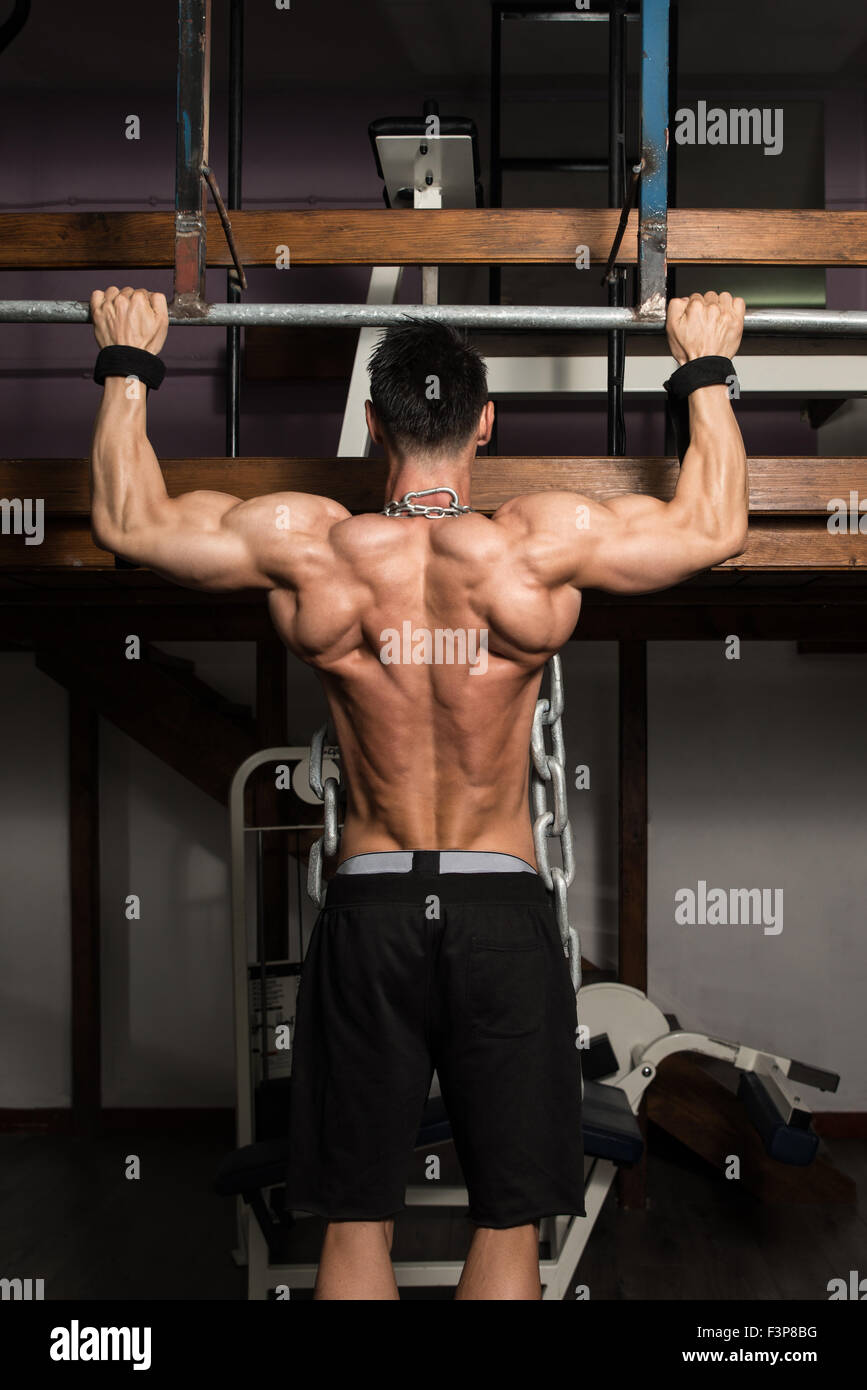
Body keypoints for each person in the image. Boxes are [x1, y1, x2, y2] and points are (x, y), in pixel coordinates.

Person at [89, 286, 748, 1300]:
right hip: (498, 906)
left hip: (372, 905)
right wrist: (702, 365)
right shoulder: (537, 542)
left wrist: (128, 362)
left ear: (371, 421)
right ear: (486, 420)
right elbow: (714, 528)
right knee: (507, 1221)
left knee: (356, 1223)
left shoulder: (315, 545)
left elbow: (130, 521)